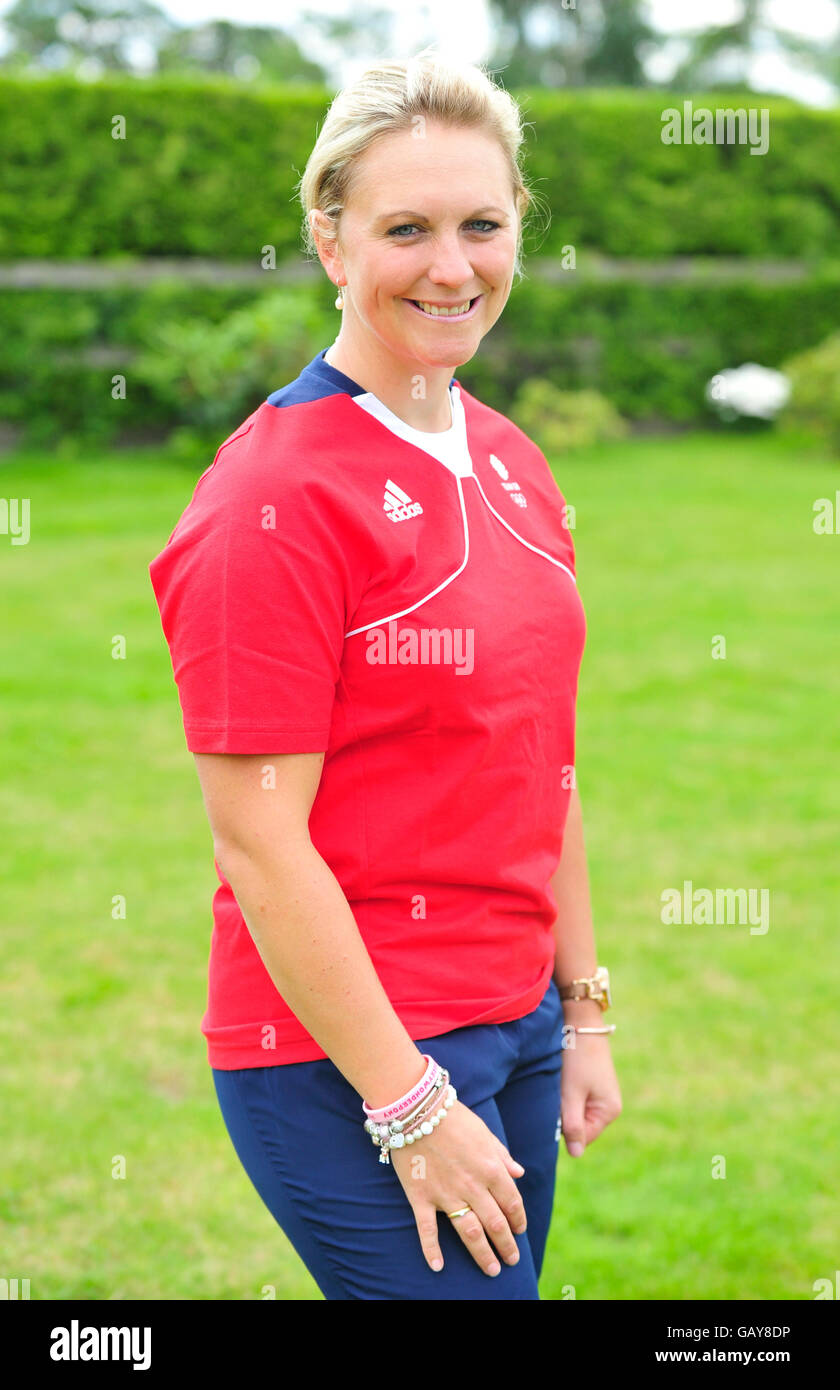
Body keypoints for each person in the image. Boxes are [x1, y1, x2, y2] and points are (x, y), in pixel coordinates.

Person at [148, 48, 622, 1301]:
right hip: (345, 1053)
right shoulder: (272, 499)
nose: (453, 266)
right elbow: (258, 843)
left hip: (514, 1022)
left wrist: (581, 1009)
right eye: (405, 228)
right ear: (330, 242)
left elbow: (543, 760)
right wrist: (410, 1101)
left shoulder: (515, 459)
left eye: (483, 223)